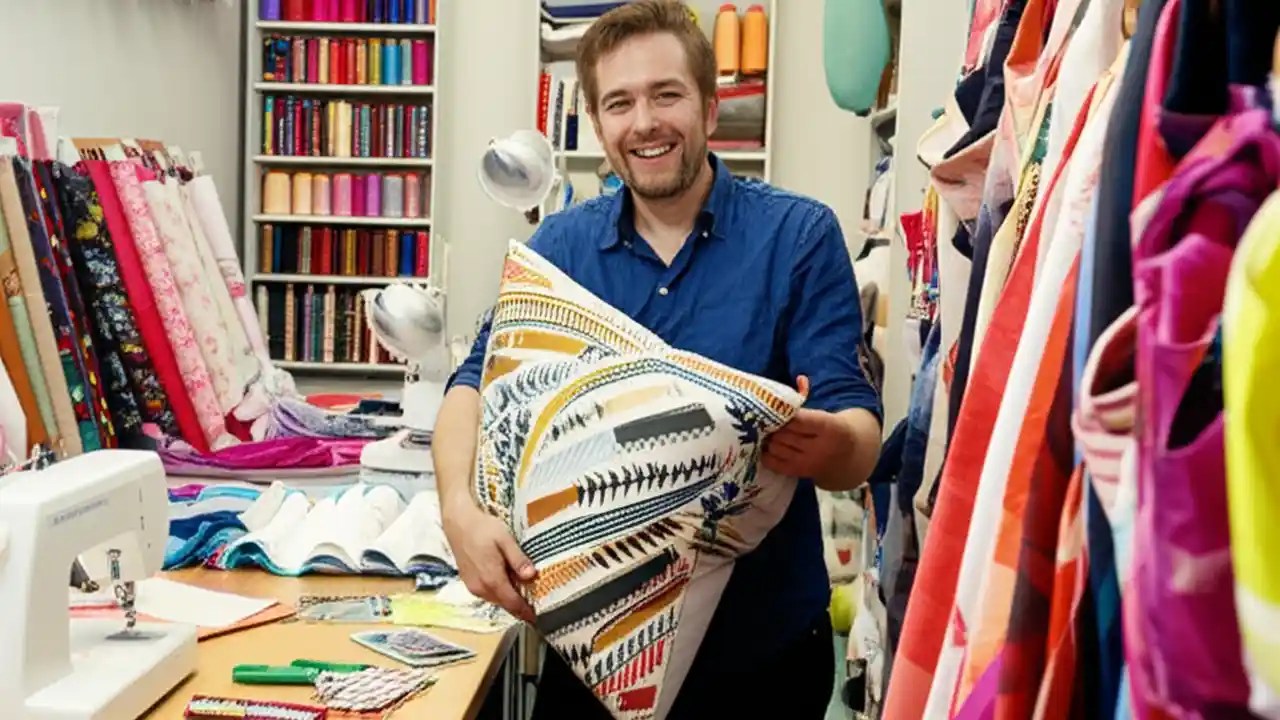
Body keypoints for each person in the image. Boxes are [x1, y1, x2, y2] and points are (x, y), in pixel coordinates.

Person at [432, 1, 883, 716]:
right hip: (588, 659)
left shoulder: (797, 237)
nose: (644, 122)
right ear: (598, 122)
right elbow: (472, 387)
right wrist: (459, 510)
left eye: (666, 94)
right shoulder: (559, 253)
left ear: (708, 106)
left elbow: (857, 441)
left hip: (759, 662)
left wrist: (825, 442)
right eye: (620, 103)